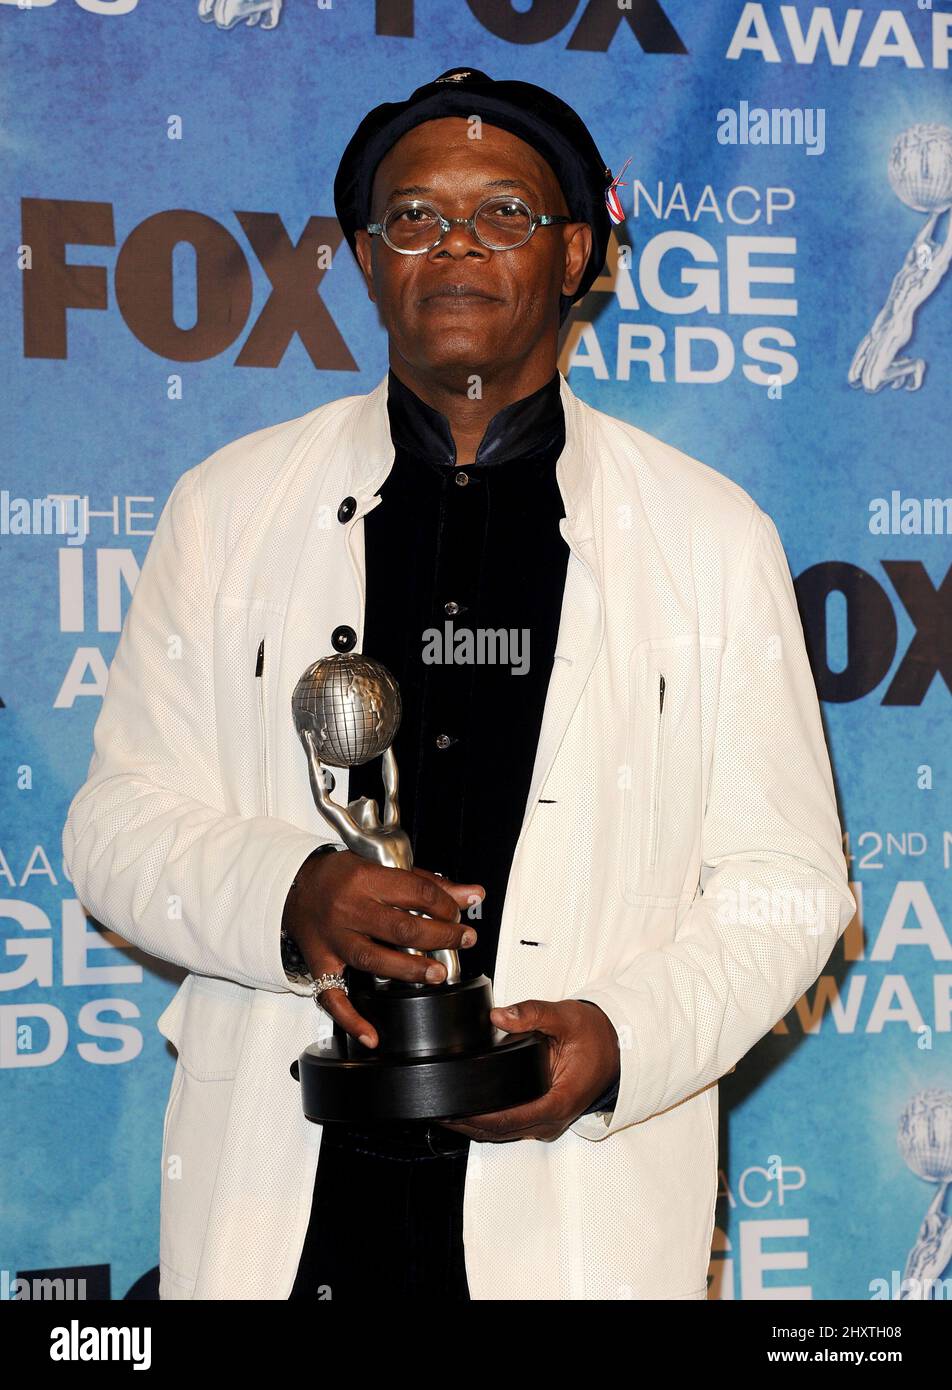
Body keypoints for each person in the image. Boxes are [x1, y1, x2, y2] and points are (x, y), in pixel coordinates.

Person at [62, 68, 855, 1302]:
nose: (455, 249)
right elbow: (116, 827)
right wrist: (296, 893)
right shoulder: (229, 508)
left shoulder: (708, 536)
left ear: (577, 250)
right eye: (414, 219)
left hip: (572, 1214)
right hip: (288, 1196)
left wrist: (620, 1036)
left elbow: (787, 887)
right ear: (368, 261)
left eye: (503, 214)